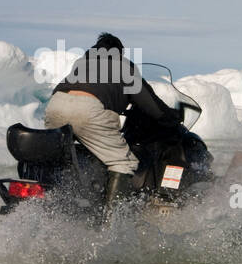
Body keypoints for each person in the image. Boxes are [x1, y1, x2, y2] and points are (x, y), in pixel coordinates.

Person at [44, 33, 180, 218]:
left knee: (68, 157)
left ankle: (64, 206)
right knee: (123, 162)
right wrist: (171, 117)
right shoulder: (124, 66)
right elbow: (150, 103)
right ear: (120, 53)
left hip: (55, 106)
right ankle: (112, 226)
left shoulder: (82, 63)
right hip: (88, 111)